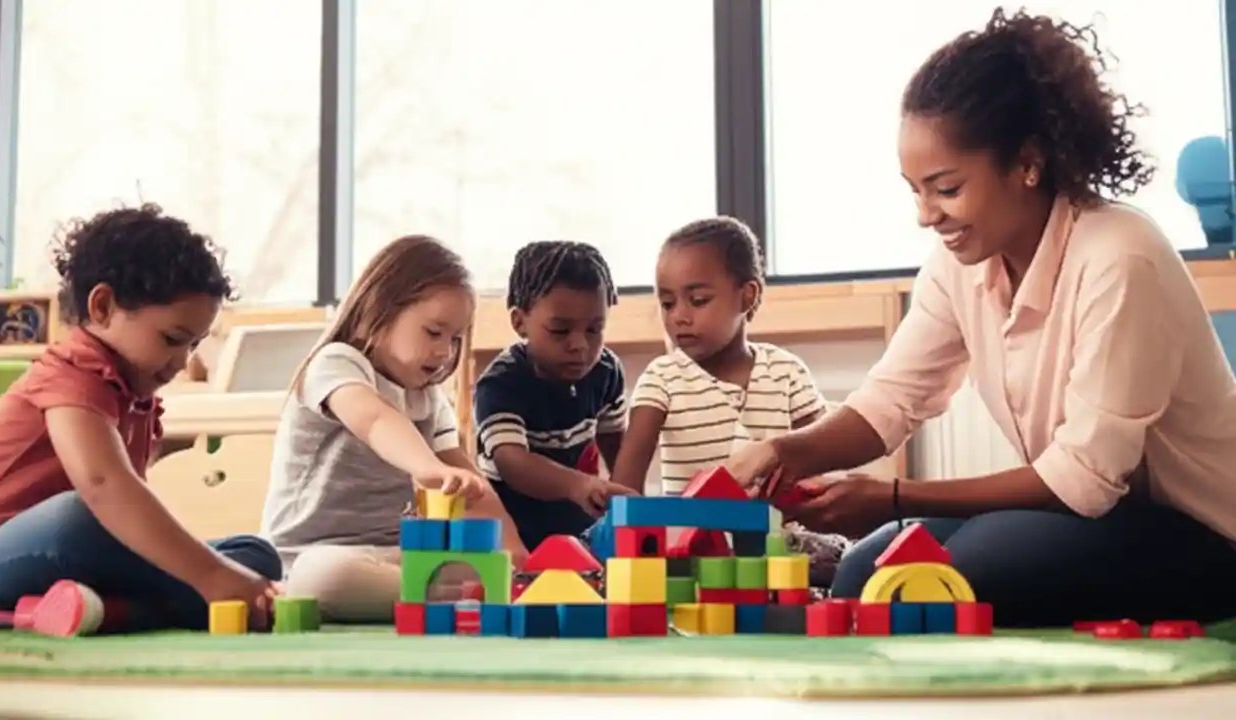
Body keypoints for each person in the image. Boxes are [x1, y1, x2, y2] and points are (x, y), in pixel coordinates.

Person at [727, 8, 1236, 627]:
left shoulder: (1119, 257)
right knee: (866, 573)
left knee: (957, 576)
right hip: (1095, 517)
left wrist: (893, 499)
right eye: (914, 190)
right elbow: (891, 400)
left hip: (1204, 533)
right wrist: (786, 451)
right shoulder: (959, 262)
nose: (926, 214)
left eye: (945, 188)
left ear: (1027, 162)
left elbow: (1084, 478)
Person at [0, 204, 282, 633]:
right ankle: (160, 607)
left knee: (254, 553)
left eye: (194, 345)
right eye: (172, 340)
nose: (182, 362)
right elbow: (103, 485)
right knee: (84, 518)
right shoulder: (71, 371)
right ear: (103, 306)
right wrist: (213, 575)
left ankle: (97, 612)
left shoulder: (135, 395)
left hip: (64, 564)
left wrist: (219, 569)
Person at [262, 235, 526, 622]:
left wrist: (514, 555)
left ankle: (441, 595)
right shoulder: (337, 365)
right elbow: (374, 419)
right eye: (433, 332)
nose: (445, 352)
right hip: (306, 557)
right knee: (324, 578)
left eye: (455, 339)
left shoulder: (430, 397)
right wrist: (426, 467)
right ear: (380, 312)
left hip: (394, 557)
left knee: (486, 564)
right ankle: (447, 599)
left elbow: (471, 483)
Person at [612, 217, 848, 576]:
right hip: (691, 551)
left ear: (747, 296)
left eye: (698, 300)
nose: (679, 317)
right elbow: (625, 488)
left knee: (839, 561)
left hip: (777, 552)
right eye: (667, 303)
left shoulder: (787, 372)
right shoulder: (662, 378)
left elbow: (824, 465)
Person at [474, 241, 635, 551]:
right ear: (519, 322)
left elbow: (616, 446)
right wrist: (579, 485)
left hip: (579, 530)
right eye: (560, 331)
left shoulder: (606, 372)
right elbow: (513, 463)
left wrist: (628, 501)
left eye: (594, 329)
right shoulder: (501, 383)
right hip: (511, 534)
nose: (580, 345)